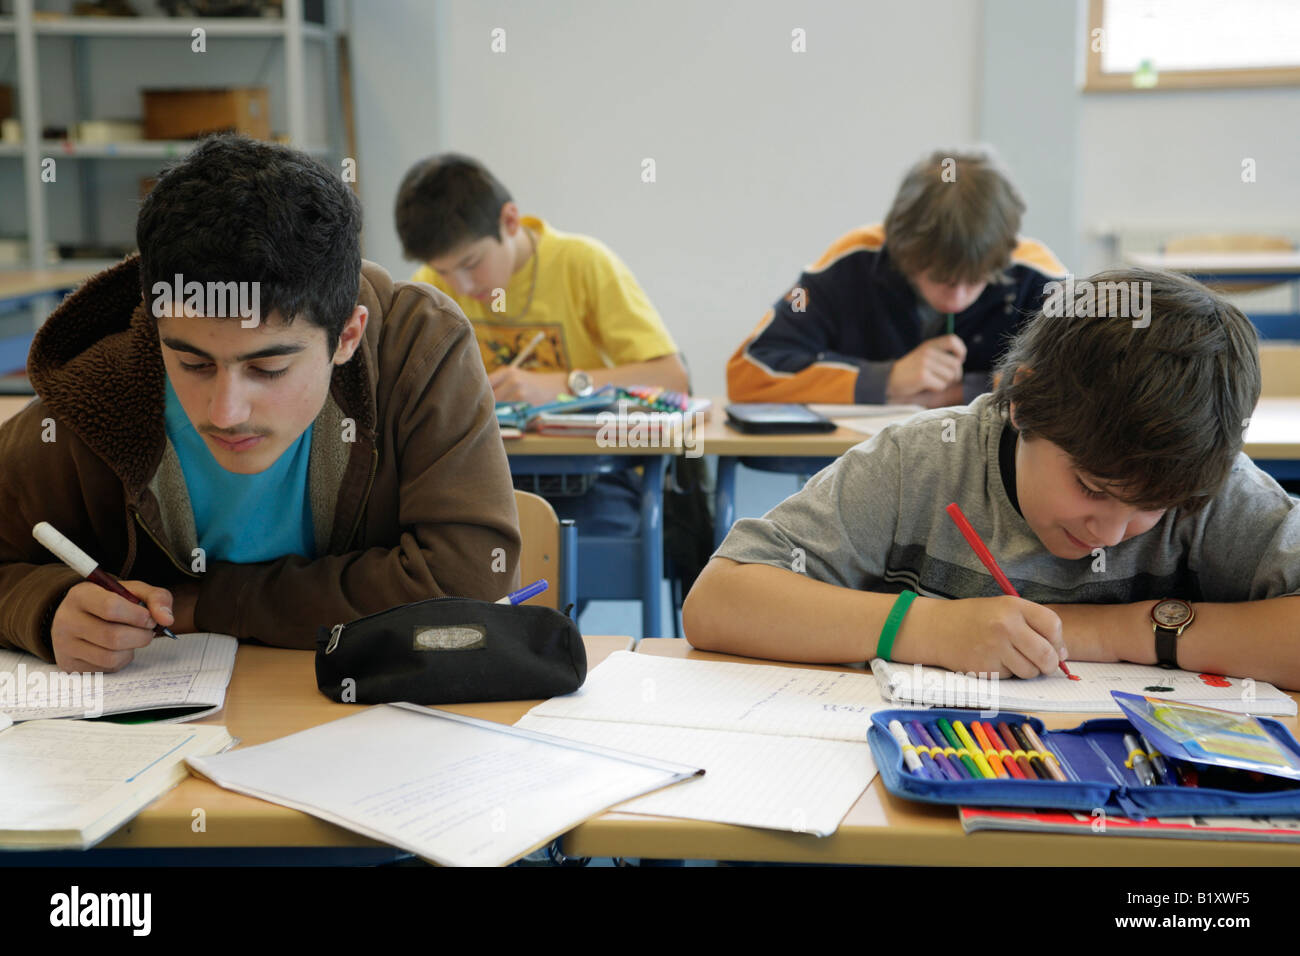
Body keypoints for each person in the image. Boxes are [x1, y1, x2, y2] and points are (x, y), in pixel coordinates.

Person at [0, 135, 521, 672]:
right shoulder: (99, 387)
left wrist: (210, 604)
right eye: (193, 364)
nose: (225, 412)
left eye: (267, 369)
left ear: (346, 336)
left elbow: (468, 579)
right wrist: (42, 608)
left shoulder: (419, 346)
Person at [687, 268, 1300, 690]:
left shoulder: (1197, 476)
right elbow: (719, 601)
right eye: (1090, 486)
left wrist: (1125, 630)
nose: (1111, 532)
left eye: (1151, 508)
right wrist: (929, 628)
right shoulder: (922, 464)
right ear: (1022, 400)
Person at [396, 153, 689, 538]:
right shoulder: (430, 283)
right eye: (446, 272)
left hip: (590, 475)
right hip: (483, 476)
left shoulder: (582, 263)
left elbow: (671, 379)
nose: (462, 287)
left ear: (510, 221)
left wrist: (558, 386)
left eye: (471, 263)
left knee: (552, 549)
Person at [727, 147, 1067, 408]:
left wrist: (964, 391)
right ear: (902, 248)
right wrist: (886, 379)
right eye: (939, 278)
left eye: (975, 280)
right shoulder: (854, 260)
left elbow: (1085, 382)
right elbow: (749, 372)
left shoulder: (1038, 274)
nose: (956, 298)